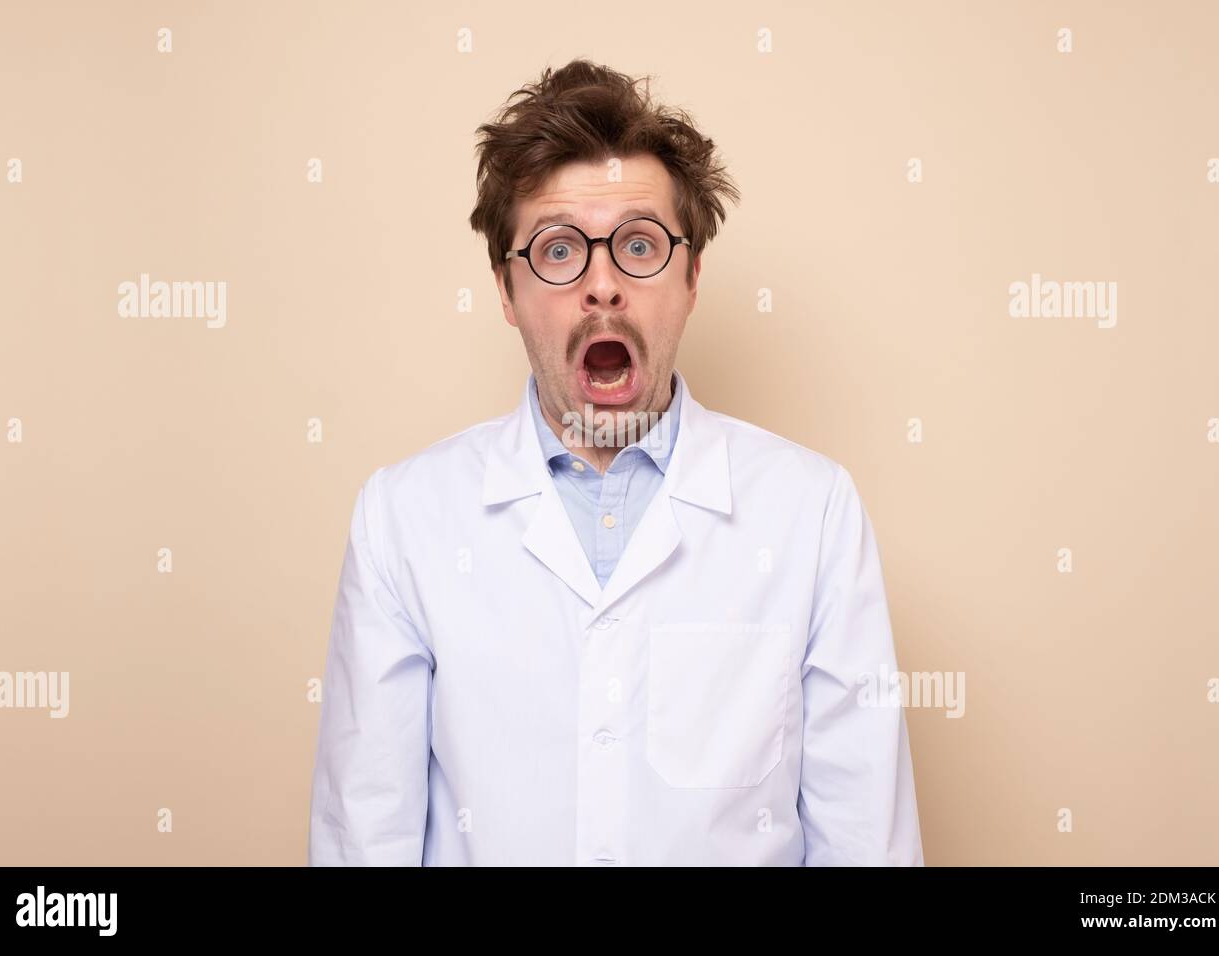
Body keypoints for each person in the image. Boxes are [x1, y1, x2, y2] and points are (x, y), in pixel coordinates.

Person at [308, 59, 924, 866]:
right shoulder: (404, 519)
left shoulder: (812, 513)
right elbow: (365, 840)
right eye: (559, 250)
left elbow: (864, 843)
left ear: (693, 274)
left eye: (639, 245)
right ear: (505, 289)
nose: (602, 286)